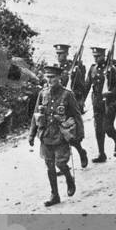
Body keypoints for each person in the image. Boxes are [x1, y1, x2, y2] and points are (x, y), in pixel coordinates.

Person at [28, 64, 84, 207]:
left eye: (52, 77)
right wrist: (31, 134)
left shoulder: (67, 94)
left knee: (60, 163)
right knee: (49, 166)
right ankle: (55, 195)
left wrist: (79, 134)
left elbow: (77, 115)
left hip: (61, 134)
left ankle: (69, 179)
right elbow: (36, 114)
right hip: (46, 134)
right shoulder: (43, 93)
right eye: (47, 77)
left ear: (59, 78)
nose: (49, 80)